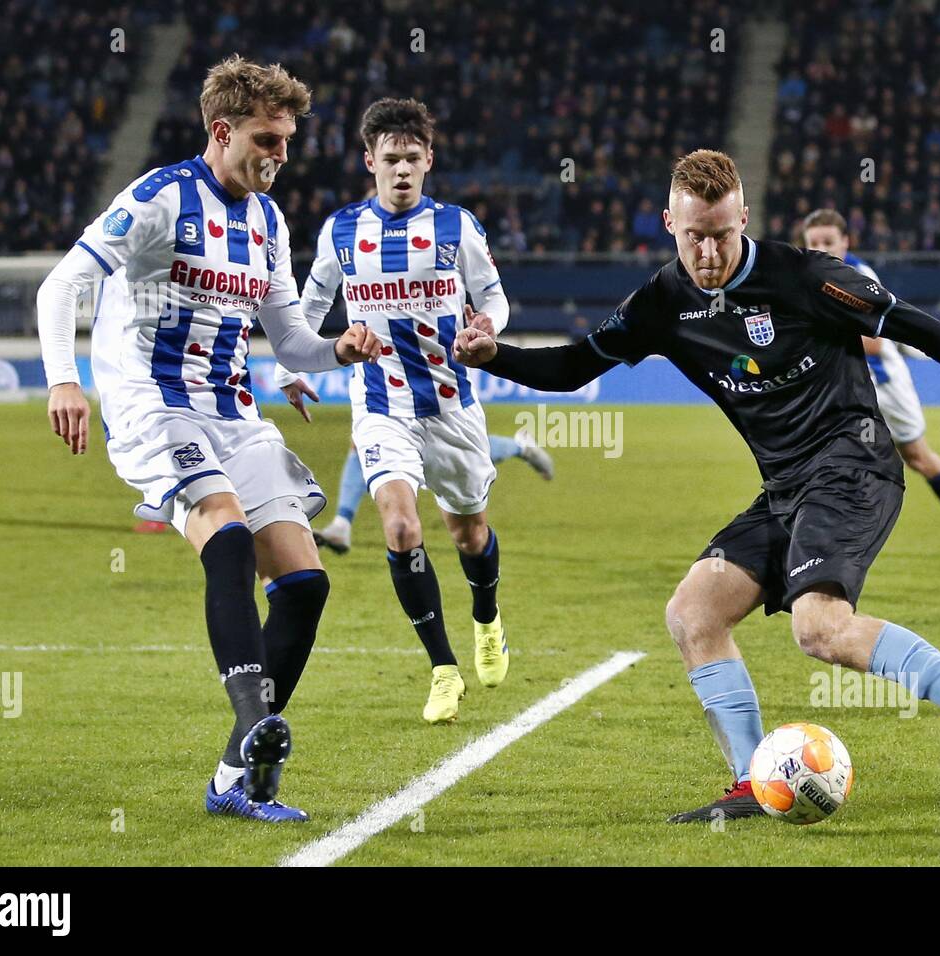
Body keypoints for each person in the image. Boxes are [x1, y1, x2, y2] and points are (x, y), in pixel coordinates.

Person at [454, 150, 940, 822]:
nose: (709, 253)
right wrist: (495, 356)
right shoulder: (661, 302)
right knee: (694, 614)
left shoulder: (804, 277)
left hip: (852, 465)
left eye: (721, 234)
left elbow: (915, 325)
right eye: (694, 237)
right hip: (784, 487)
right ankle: (752, 781)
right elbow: (573, 367)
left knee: (819, 629)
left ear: (744, 216)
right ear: (669, 224)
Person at [36, 55, 381, 823]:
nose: (280, 155)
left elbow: (290, 341)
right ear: (222, 132)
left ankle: (233, 777)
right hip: (154, 405)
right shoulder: (158, 199)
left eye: (287, 141)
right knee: (226, 540)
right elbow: (61, 286)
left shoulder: (268, 222)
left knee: (305, 583)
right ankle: (259, 722)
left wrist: (339, 349)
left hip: (233, 414)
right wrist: (63, 380)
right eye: (266, 139)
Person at [278, 98, 512, 724]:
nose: (401, 169)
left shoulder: (457, 227)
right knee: (402, 528)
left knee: (469, 534)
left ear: (429, 160)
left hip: (451, 406)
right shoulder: (342, 231)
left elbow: (494, 297)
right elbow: (310, 304)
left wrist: (489, 325)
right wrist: (292, 367)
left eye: (412, 158)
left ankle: (486, 618)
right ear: (370, 162)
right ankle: (443, 669)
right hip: (381, 405)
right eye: (390, 159)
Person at [801, 210, 940, 564]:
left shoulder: (858, 278)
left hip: (882, 381)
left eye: (828, 242)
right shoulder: (804, 276)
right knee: (825, 455)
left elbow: (873, 344)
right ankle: (818, 546)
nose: (821, 249)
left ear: (846, 242)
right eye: (814, 243)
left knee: (918, 457)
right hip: (842, 384)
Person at [310, 428, 553, 554]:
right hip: (386, 382)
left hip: (433, 376)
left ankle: (520, 447)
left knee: (458, 451)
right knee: (362, 442)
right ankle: (342, 524)